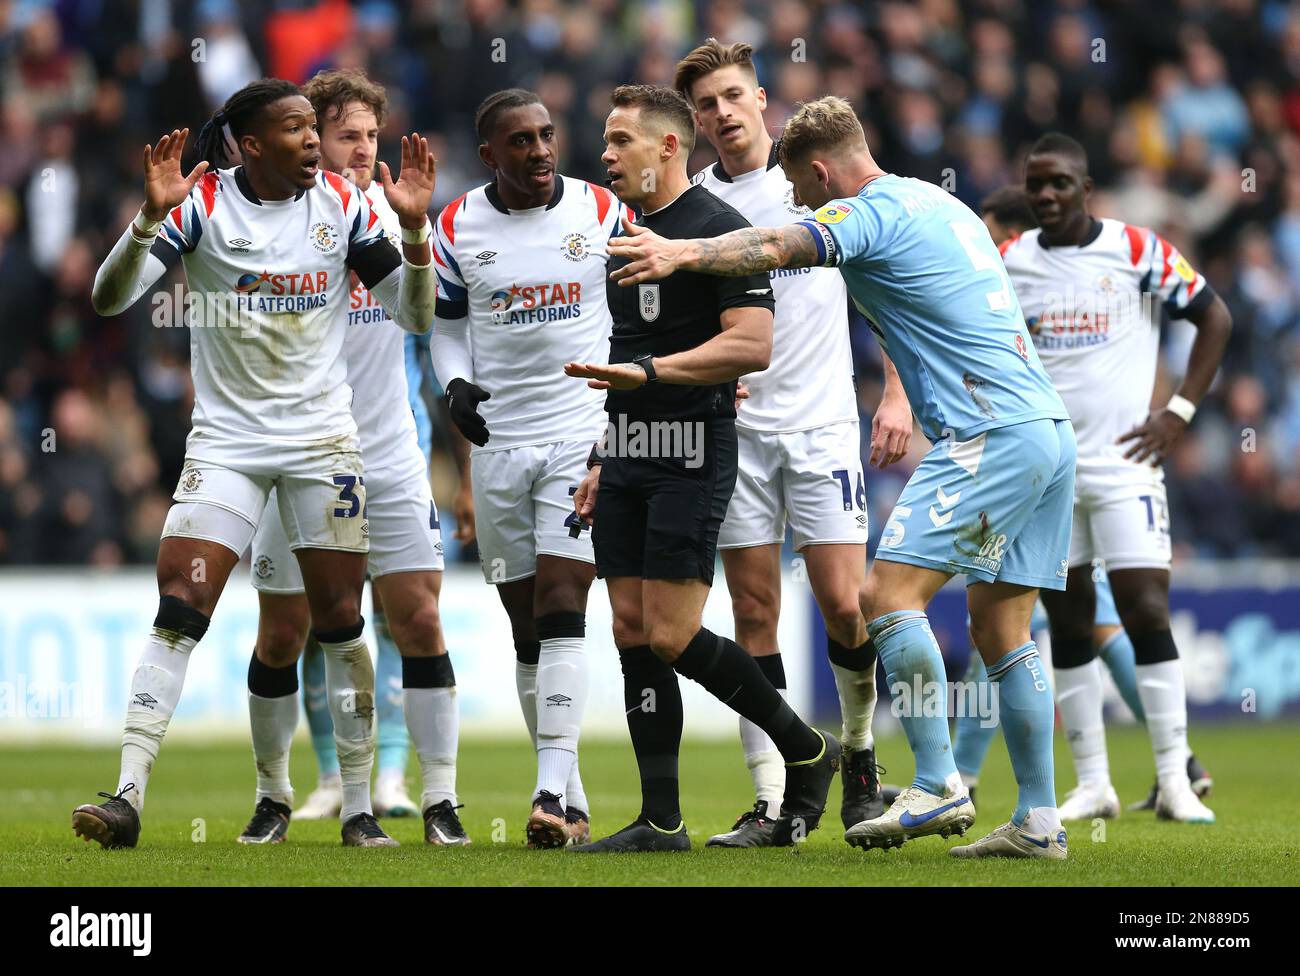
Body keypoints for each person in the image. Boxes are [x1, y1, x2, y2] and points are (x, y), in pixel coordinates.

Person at [606, 95, 1076, 860]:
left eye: (802, 187)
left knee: (883, 598)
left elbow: (779, 246)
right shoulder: (939, 201)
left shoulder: (868, 213)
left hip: (987, 432)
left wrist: (684, 253)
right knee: (1002, 630)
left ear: (822, 170)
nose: (798, 200)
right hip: (1046, 430)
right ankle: (1039, 820)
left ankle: (936, 781)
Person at [74, 78, 436, 849]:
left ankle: (359, 806)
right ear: (251, 143)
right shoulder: (202, 206)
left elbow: (413, 314)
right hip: (229, 445)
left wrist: (412, 236)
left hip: (321, 444)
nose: (314, 140)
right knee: (181, 602)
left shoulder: (343, 204)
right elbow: (109, 300)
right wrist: (147, 219)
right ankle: (130, 795)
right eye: (296, 128)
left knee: (342, 623)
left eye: (315, 127)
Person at [565, 84, 839, 854]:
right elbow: (623, 359)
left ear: (667, 148)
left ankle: (808, 749)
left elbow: (751, 346)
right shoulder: (627, 230)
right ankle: (661, 820)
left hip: (692, 447)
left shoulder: (723, 232)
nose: (606, 155)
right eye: (608, 140)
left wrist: (651, 377)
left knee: (673, 633)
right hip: (626, 449)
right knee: (629, 628)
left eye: (621, 141)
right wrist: (601, 451)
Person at [672, 39, 912, 848]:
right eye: (706, 105)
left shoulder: (811, 185)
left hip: (821, 425)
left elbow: (883, 286)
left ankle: (863, 760)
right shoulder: (692, 203)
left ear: (762, 98)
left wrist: (897, 390)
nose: (723, 113)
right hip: (733, 431)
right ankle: (777, 799)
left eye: (733, 96)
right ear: (695, 121)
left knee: (847, 604)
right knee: (754, 611)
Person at [237, 69, 466, 847]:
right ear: (311, 141)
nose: (361, 149)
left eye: (371, 135)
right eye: (344, 135)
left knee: (418, 619)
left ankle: (434, 797)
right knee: (289, 632)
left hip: (394, 447)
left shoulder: (397, 217)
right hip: (297, 450)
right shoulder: (286, 223)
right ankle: (301, 785)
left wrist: (414, 230)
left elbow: (429, 321)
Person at [1000, 133, 1230, 823]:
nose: (1046, 195)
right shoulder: (1010, 262)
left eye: (1059, 183)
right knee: (1066, 622)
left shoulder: (1135, 249)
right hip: (1049, 471)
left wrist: (1180, 412)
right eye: (1036, 184)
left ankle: (1174, 781)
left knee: (1145, 608)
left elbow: (1214, 316)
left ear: (1086, 188)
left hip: (1128, 462)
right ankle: (1093, 784)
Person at [430, 89, 621, 847]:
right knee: (525, 628)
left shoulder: (603, 213)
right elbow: (445, 332)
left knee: (565, 596)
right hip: (499, 447)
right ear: (489, 155)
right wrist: (454, 387)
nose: (540, 152)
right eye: (520, 142)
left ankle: (543, 789)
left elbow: (642, 308)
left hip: (582, 432)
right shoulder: (455, 225)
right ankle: (569, 804)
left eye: (547, 136)